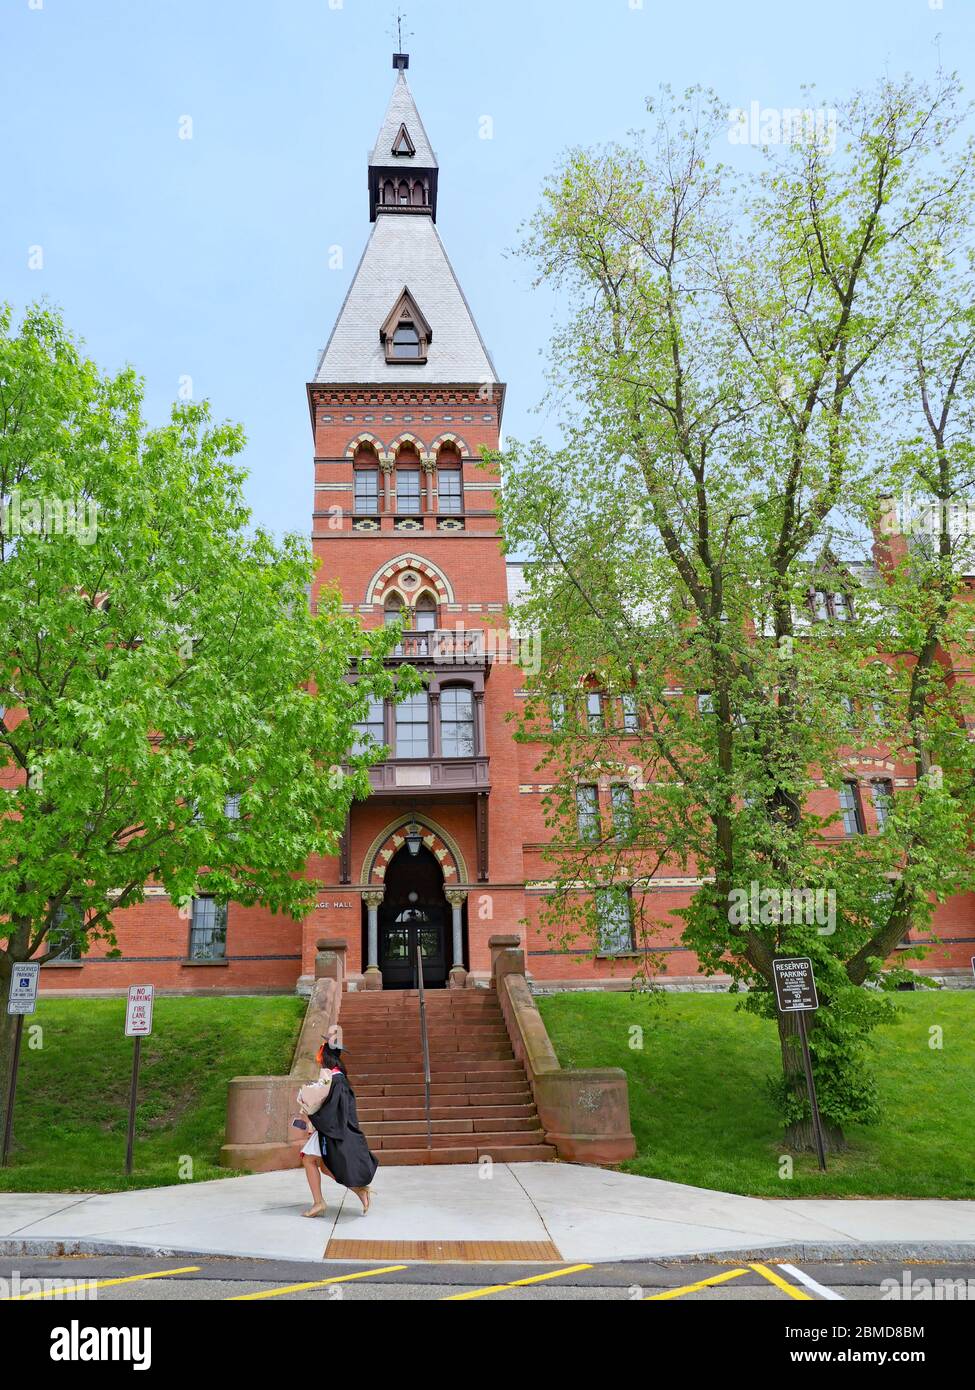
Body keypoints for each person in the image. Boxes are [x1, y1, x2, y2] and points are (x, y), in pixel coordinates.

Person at [298, 1039, 377, 1218]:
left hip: (330, 1129)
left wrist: (312, 1112)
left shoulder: (335, 1080)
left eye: (320, 1053)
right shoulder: (337, 1077)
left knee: (309, 1161)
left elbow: (332, 1109)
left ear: (325, 1055)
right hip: (330, 1128)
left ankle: (319, 1203)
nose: (318, 1056)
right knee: (326, 1168)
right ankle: (360, 1191)